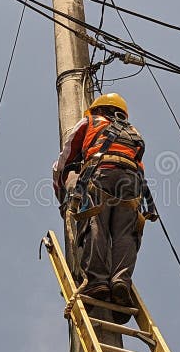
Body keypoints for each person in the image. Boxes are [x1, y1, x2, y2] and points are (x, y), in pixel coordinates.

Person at [53, 93, 156, 313]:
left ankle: (98, 282)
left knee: (95, 223)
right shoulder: (131, 132)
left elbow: (66, 156)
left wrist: (61, 188)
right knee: (126, 233)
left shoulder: (91, 121)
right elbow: (139, 165)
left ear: (98, 109)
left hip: (101, 173)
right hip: (132, 182)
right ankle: (120, 282)